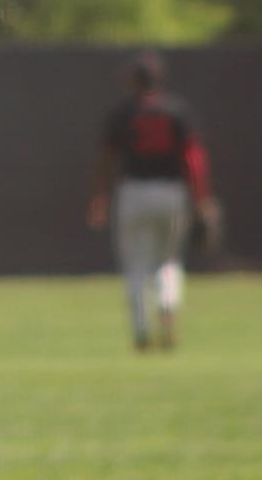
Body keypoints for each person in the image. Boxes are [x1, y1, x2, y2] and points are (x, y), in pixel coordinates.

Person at [87, 48, 220, 351]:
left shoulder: (123, 113)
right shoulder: (177, 111)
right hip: (171, 193)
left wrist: (98, 198)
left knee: (134, 264)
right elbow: (193, 158)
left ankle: (141, 330)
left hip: (133, 193)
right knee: (168, 260)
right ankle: (167, 306)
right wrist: (201, 199)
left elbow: (106, 160)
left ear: (132, 80)